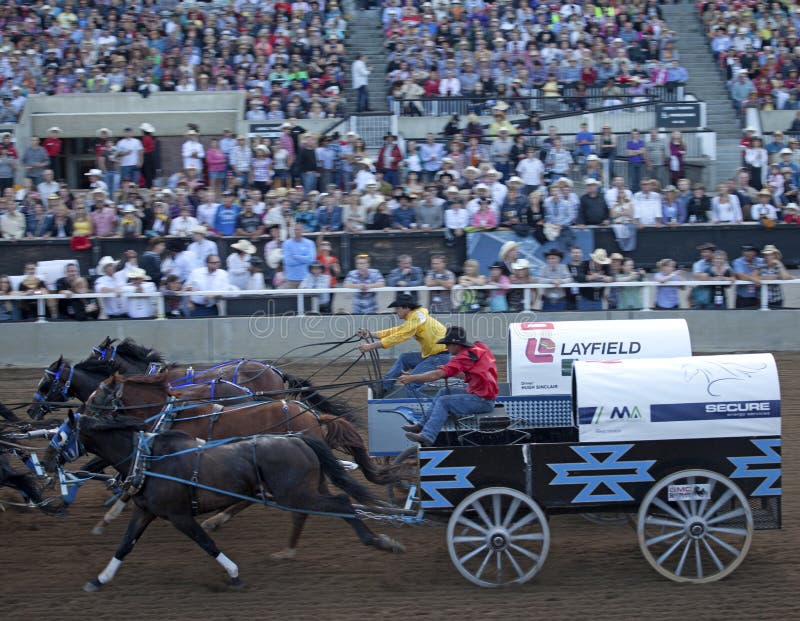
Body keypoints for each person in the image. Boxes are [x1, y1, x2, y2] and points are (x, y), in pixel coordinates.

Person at [400, 326, 498, 447]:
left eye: (447, 344)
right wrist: (448, 371)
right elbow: (470, 373)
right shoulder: (479, 348)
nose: (446, 347)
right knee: (444, 391)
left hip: (482, 400)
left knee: (444, 402)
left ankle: (428, 436)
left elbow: (436, 375)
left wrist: (412, 378)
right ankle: (421, 425)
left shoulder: (463, 357)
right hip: (484, 395)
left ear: (455, 345)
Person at [358, 293, 450, 398]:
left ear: (406, 307)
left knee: (411, 383)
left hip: (438, 358)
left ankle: (433, 407)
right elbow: (396, 331)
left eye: (397, 308)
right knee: (404, 358)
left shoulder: (416, 318)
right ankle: (384, 386)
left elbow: (399, 336)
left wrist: (371, 346)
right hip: (433, 355)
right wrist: (370, 334)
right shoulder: (415, 317)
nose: (396, 311)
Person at [282, 223, 316, 288]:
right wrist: (304, 259)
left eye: (299, 230)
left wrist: (296, 256)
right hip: (290, 279)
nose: (296, 231)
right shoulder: (286, 243)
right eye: (295, 230)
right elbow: (288, 261)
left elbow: (311, 260)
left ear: (302, 230)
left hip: (306, 278)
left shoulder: (310, 243)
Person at [732, 245, 764, 309]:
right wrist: (753, 279)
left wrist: (755, 274)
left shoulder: (761, 261)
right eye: (745, 251)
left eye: (749, 251)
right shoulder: (737, 261)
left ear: (755, 253)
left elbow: (765, 272)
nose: (746, 253)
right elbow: (741, 276)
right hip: (743, 297)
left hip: (758, 296)